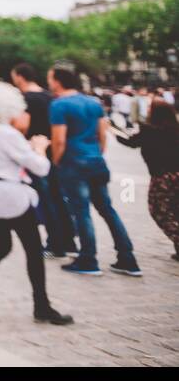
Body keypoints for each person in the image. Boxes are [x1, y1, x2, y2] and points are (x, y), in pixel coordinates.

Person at [0, 83, 73, 325]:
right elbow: (40, 168)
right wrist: (40, 148)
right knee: (33, 251)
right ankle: (41, 305)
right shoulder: (6, 133)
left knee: (2, 244)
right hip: (12, 197)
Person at [48, 66, 140, 277]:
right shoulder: (93, 102)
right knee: (107, 209)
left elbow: (59, 140)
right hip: (96, 161)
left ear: (58, 81)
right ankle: (127, 257)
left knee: (82, 212)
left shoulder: (59, 105)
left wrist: (56, 162)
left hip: (73, 163)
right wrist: (97, 154)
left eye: (51, 79)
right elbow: (103, 134)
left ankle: (88, 258)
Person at [10, 62, 77, 257]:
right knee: (57, 198)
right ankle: (69, 240)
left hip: (35, 152)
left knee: (45, 200)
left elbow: (22, 126)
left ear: (20, 77)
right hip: (50, 152)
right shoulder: (49, 97)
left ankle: (55, 243)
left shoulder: (26, 98)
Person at [116, 101, 179, 261]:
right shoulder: (175, 129)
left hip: (162, 178)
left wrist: (113, 130)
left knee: (159, 211)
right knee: (176, 210)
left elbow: (130, 142)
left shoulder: (149, 131)